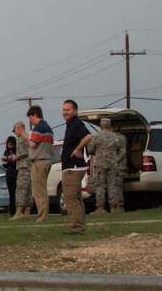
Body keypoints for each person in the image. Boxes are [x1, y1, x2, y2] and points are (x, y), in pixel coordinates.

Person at [60, 99, 91, 234]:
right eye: (64, 110)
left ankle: (77, 227)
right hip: (70, 166)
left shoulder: (77, 123)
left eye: (68, 110)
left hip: (73, 167)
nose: (65, 112)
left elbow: (88, 136)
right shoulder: (70, 124)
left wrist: (78, 149)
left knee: (70, 197)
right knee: (76, 197)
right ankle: (80, 225)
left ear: (75, 111)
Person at [88, 117, 126, 215]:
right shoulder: (116, 137)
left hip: (100, 164)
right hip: (113, 164)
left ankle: (100, 208)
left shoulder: (96, 136)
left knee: (100, 185)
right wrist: (116, 160)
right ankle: (114, 207)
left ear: (100, 125)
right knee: (112, 185)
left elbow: (90, 150)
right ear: (110, 125)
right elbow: (122, 151)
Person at [27, 105, 55, 224]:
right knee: (42, 190)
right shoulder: (48, 128)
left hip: (39, 161)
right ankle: (43, 215)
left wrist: (23, 135)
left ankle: (42, 217)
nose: (30, 120)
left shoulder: (39, 127)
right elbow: (52, 147)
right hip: (47, 159)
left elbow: (33, 144)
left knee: (39, 191)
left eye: (30, 117)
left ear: (34, 115)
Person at [9, 122, 32, 220]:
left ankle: (18, 213)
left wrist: (15, 157)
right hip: (29, 167)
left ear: (19, 128)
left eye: (15, 130)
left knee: (21, 190)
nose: (15, 133)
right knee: (28, 191)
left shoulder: (23, 138)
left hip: (23, 167)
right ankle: (27, 213)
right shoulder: (28, 136)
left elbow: (23, 153)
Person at [2, 135, 18, 217]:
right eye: (8, 144)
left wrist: (10, 159)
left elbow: (15, 160)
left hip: (16, 173)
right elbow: (4, 164)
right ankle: (12, 212)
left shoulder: (17, 151)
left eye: (11, 144)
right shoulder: (6, 152)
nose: (9, 146)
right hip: (9, 174)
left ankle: (17, 211)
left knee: (16, 193)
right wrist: (7, 160)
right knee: (11, 193)